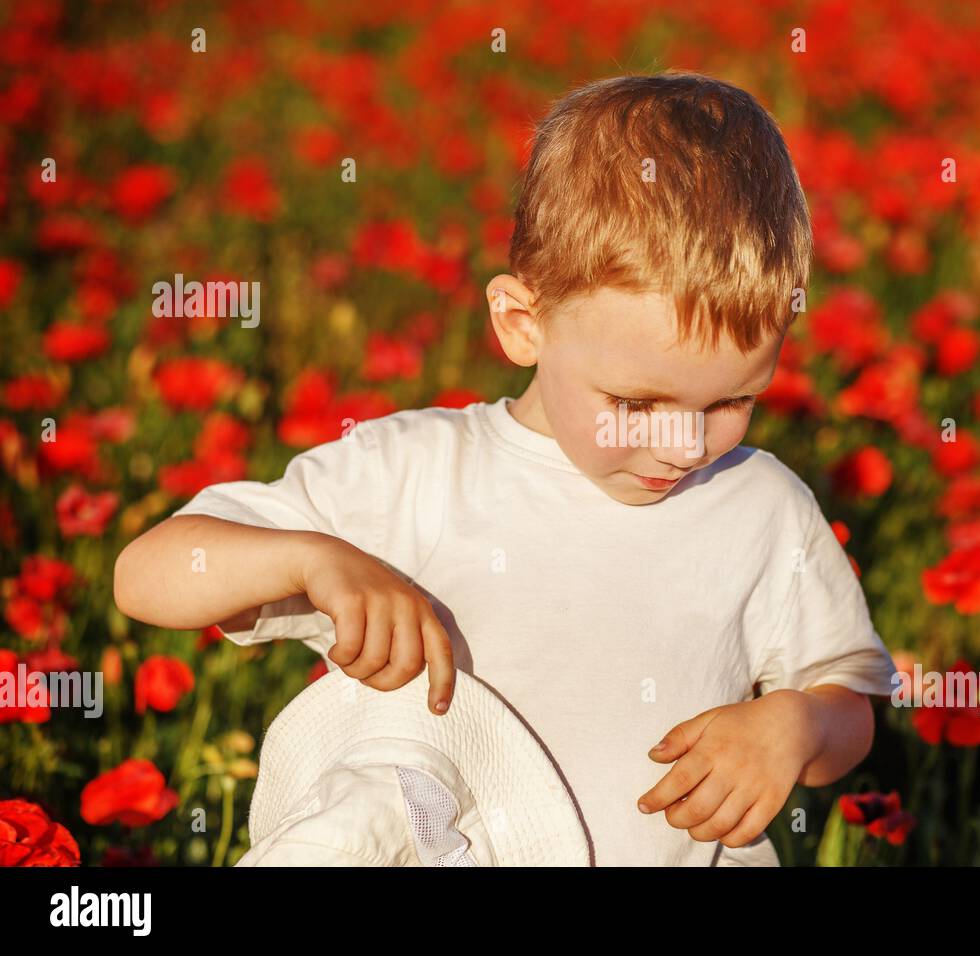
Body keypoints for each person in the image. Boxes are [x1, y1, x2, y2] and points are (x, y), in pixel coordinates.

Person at [114, 70, 897, 867]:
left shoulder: (759, 507)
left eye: (733, 401)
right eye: (635, 402)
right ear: (524, 325)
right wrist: (311, 560)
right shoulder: (419, 474)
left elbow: (850, 699)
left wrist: (796, 726)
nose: (686, 445)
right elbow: (146, 575)